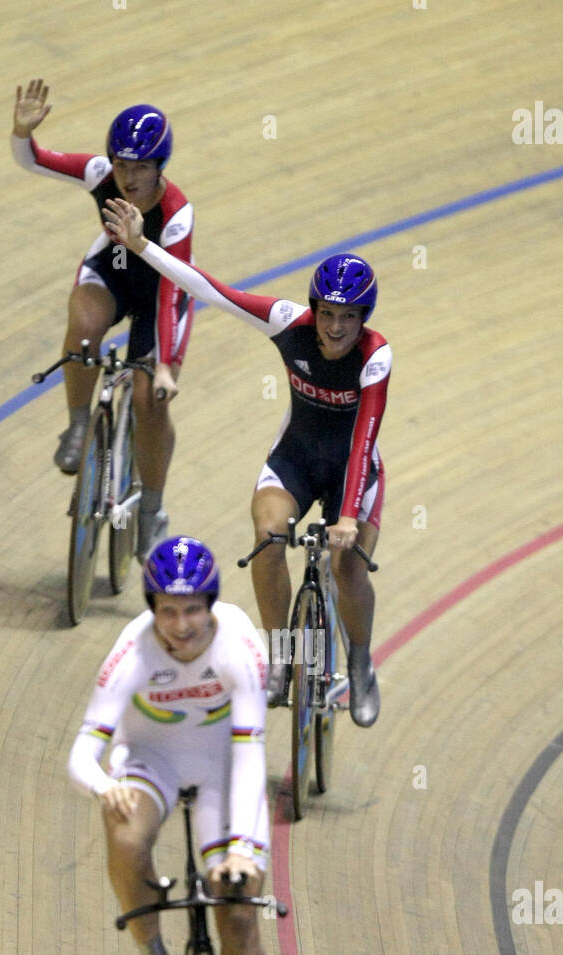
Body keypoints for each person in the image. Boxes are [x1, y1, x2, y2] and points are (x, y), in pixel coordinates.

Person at [102, 197, 391, 726]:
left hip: (355, 472)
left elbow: (365, 433)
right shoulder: (288, 323)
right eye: (327, 314)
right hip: (297, 458)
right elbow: (210, 289)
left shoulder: (374, 356)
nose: (334, 328)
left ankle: (360, 659)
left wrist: (348, 516)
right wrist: (143, 245)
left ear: (362, 319)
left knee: (349, 566)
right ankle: (282, 654)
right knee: (268, 536)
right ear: (314, 311)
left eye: (348, 317)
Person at [67, 535, 281, 955]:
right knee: (123, 824)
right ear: (152, 609)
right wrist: (104, 785)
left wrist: (241, 847)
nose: (180, 626)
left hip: (221, 769)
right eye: (166, 610)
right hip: (153, 762)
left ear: (212, 605)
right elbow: (83, 751)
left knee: (238, 911)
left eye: (191, 610)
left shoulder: (241, 645)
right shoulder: (130, 652)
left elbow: (248, 754)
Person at [12, 79, 195, 559]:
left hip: (161, 294)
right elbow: (34, 159)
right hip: (111, 272)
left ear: (160, 168)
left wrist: (164, 366)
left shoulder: (176, 214)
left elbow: (174, 287)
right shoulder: (101, 175)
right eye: (121, 165)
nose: (128, 178)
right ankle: (77, 426)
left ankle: (152, 511)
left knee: (148, 400)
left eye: (140, 168)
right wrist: (22, 134)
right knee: (85, 326)